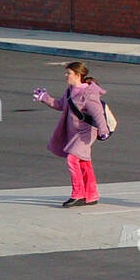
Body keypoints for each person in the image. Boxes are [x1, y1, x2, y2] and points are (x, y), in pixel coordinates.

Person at [32, 61, 110, 207]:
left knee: (72, 159)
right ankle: (91, 195)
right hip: (74, 132)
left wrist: (103, 130)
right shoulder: (70, 91)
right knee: (84, 162)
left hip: (86, 132)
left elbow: (98, 113)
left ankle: (78, 194)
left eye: (69, 73)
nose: (66, 75)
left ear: (78, 75)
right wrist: (45, 98)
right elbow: (61, 105)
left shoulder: (88, 93)